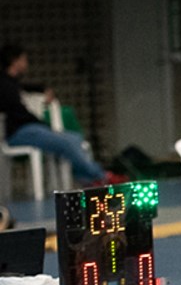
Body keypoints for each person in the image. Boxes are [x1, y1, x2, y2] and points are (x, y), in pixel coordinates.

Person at [0, 43, 113, 186]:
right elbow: (18, 112)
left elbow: (25, 87)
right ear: (14, 61)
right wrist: (41, 124)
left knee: (74, 138)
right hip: (19, 132)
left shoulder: (11, 83)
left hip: (28, 129)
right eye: (23, 59)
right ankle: (100, 175)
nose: (26, 63)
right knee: (65, 142)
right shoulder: (4, 85)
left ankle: (88, 179)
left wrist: (43, 89)